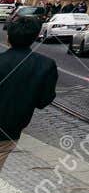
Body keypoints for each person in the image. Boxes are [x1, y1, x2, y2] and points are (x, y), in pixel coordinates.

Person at [0, 16, 57, 170]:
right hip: (9, 132)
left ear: (8, 37)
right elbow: (44, 100)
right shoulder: (46, 65)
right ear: (34, 37)